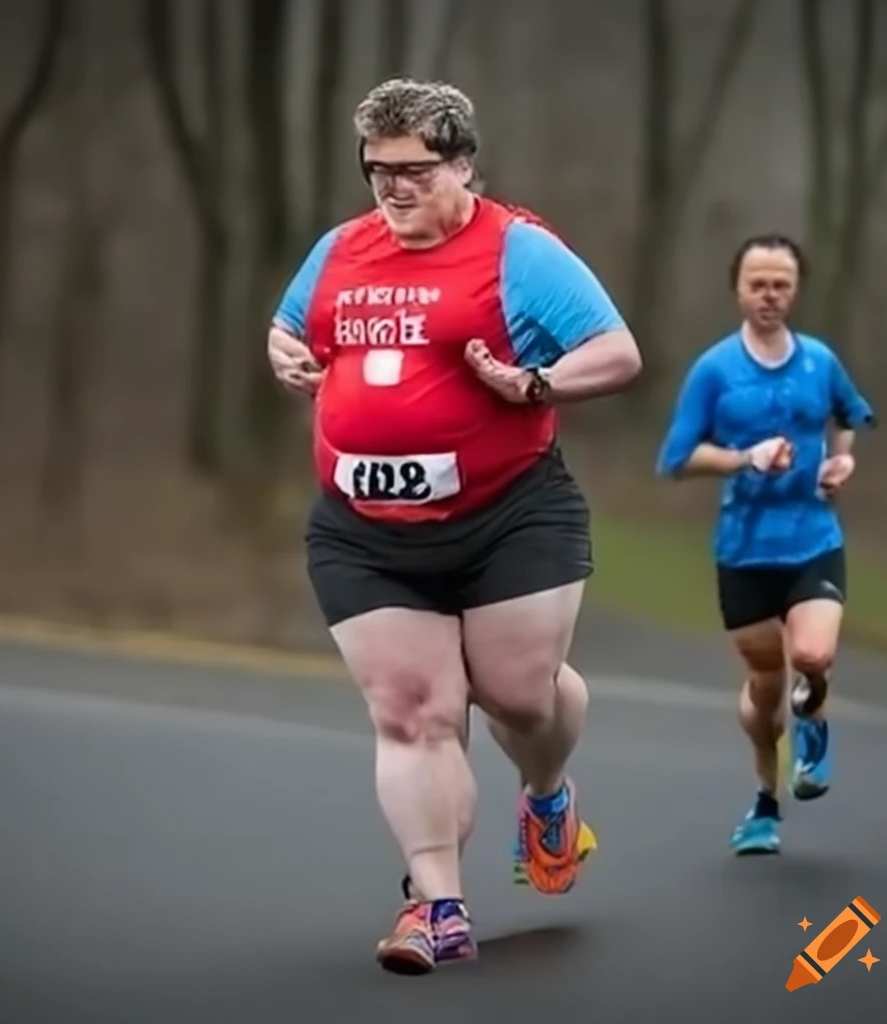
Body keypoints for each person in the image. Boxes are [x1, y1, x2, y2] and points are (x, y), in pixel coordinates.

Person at [266, 77, 642, 973]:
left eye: (414, 170)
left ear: (463, 163)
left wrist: (535, 383)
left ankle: (548, 796)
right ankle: (436, 906)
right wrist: (287, 357)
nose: (394, 189)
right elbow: (289, 331)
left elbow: (618, 353)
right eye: (377, 171)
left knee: (517, 695)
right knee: (415, 711)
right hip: (366, 530)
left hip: (510, 514)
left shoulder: (520, 252)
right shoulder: (339, 251)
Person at [655, 234, 876, 856]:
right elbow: (676, 457)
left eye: (781, 284)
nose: (770, 295)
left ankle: (815, 725)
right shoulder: (715, 370)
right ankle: (764, 800)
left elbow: (849, 416)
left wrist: (841, 463)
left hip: (812, 539)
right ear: (739, 290)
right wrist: (743, 457)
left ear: (795, 289)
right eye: (758, 284)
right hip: (744, 551)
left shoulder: (820, 362)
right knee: (763, 693)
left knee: (812, 654)